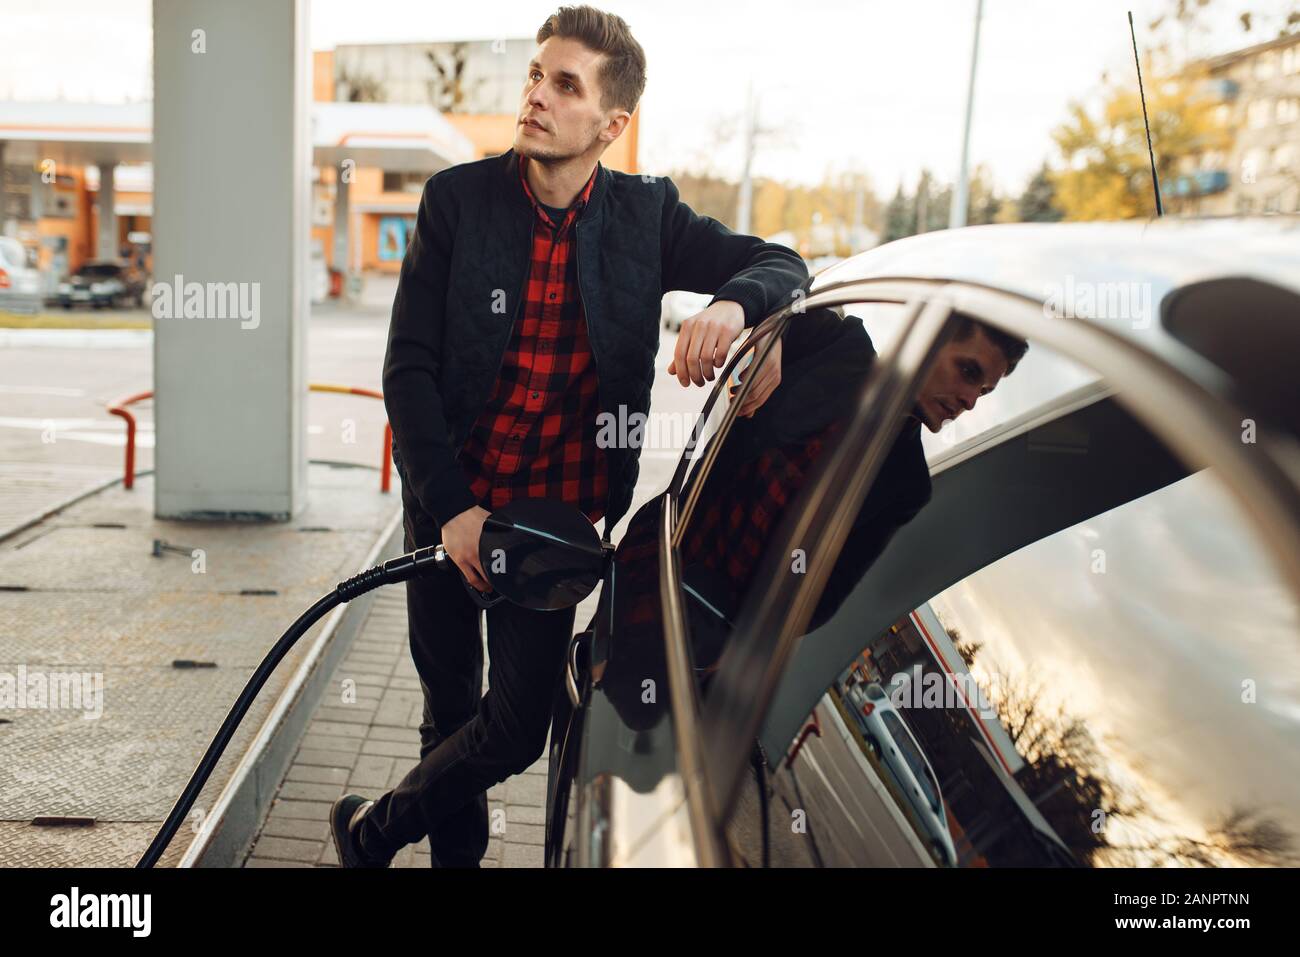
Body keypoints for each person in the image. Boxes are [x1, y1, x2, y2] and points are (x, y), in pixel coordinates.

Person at [330, 4, 808, 868]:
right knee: (448, 706)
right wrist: (451, 510)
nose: (536, 96)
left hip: (552, 528)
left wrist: (738, 305)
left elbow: (781, 259)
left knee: (511, 729)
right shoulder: (455, 202)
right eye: (535, 75)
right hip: (452, 505)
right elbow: (409, 373)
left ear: (612, 123)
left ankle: (375, 827)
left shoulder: (647, 217)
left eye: (564, 84)